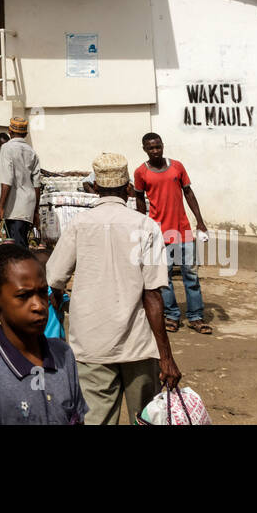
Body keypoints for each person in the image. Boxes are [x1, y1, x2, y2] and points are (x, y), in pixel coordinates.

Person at [45, 152, 181, 425]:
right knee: (145, 419)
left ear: (94, 188)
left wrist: (60, 298)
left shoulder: (79, 225)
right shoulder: (146, 226)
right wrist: (166, 356)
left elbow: (55, 277)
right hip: (138, 346)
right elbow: (153, 294)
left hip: (92, 344)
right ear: (128, 188)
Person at [0, 243, 88, 425]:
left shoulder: (63, 355)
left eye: (42, 293)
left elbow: (77, 418)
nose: (39, 306)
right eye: (24, 295)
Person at [133, 133, 211, 335]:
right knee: (164, 278)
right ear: (144, 149)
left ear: (163, 146)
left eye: (158, 147)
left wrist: (200, 221)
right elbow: (139, 200)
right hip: (159, 232)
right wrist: (142, 226)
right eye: (151, 148)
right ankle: (172, 315)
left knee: (191, 275)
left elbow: (189, 193)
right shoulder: (140, 173)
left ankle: (196, 317)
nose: (155, 151)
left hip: (183, 230)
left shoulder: (177, 166)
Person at [0, 117, 42, 248]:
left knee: (16, 249)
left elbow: (7, 180)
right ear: (26, 134)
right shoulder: (32, 152)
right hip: (28, 205)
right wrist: (36, 211)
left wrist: (1, 207)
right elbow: (37, 185)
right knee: (21, 243)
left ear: (10, 132)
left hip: (14, 206)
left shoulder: (6, 148)